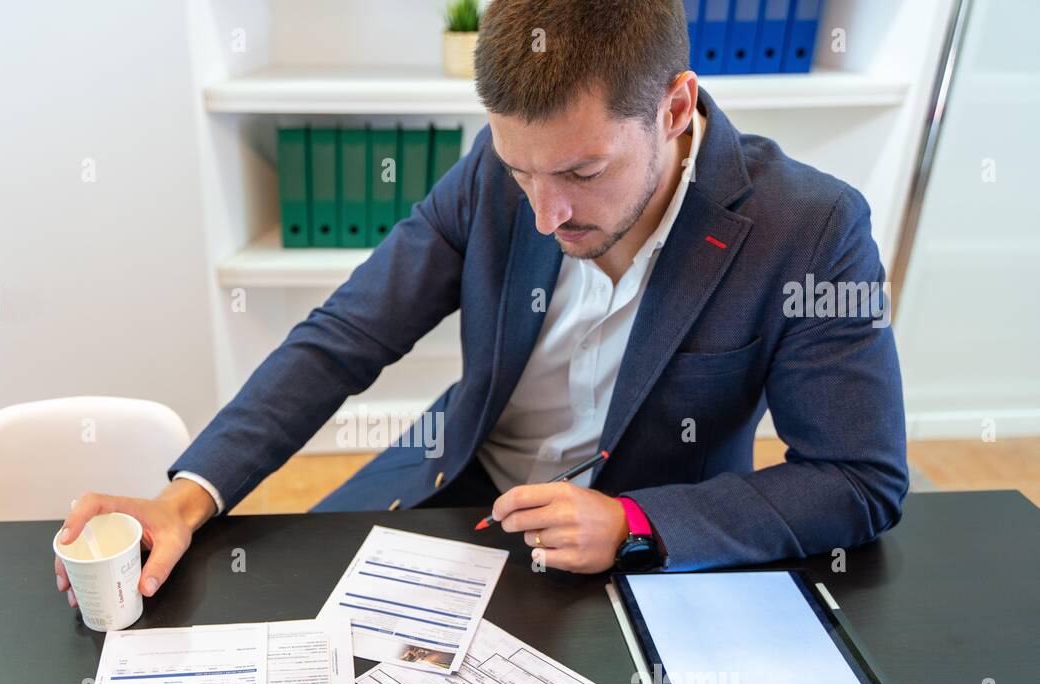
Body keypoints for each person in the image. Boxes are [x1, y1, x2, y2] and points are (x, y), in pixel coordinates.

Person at [56, 0, 906, 608]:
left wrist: (634, 520)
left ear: (675, 107)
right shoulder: (493, 175)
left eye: (580, 172)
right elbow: (345, 335)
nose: (545, 214)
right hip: (451, 487)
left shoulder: (813, 227)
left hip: (643, 556)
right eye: (519, 171)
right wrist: (186, 495)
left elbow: (857, 479)